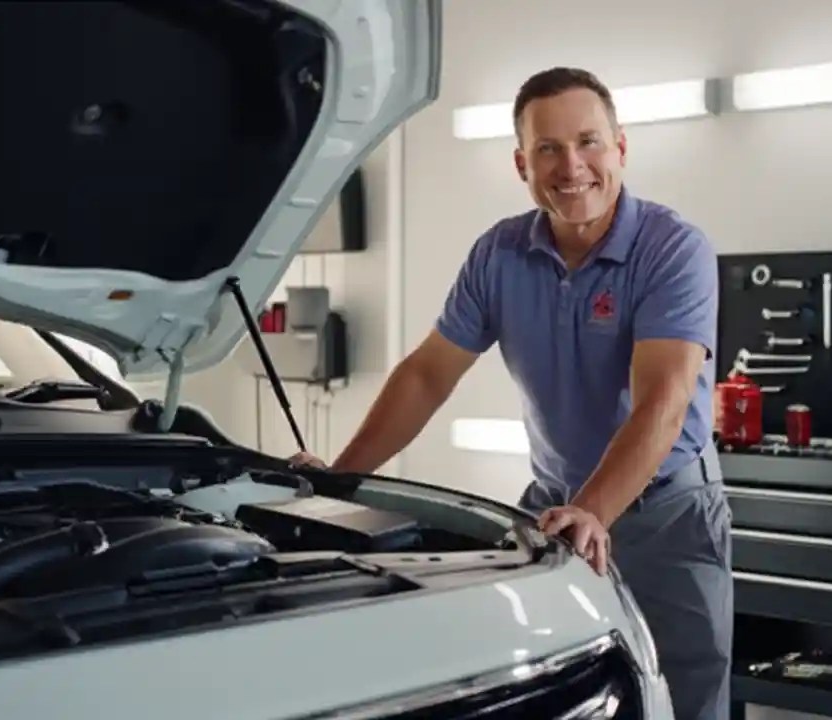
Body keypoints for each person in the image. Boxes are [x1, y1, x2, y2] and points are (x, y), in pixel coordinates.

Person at [289, 66, 732, 720]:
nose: (570, 164)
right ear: (522, 163)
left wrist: (594, 512)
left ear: (621, 149)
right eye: (548, 148)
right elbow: (428, 374)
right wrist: (340, 478)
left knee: (683, 700)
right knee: (558, 697)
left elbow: (662, 402)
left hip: (666, 514)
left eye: (588, 142)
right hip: (554, 511)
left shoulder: (672, 250)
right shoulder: (499, 255)